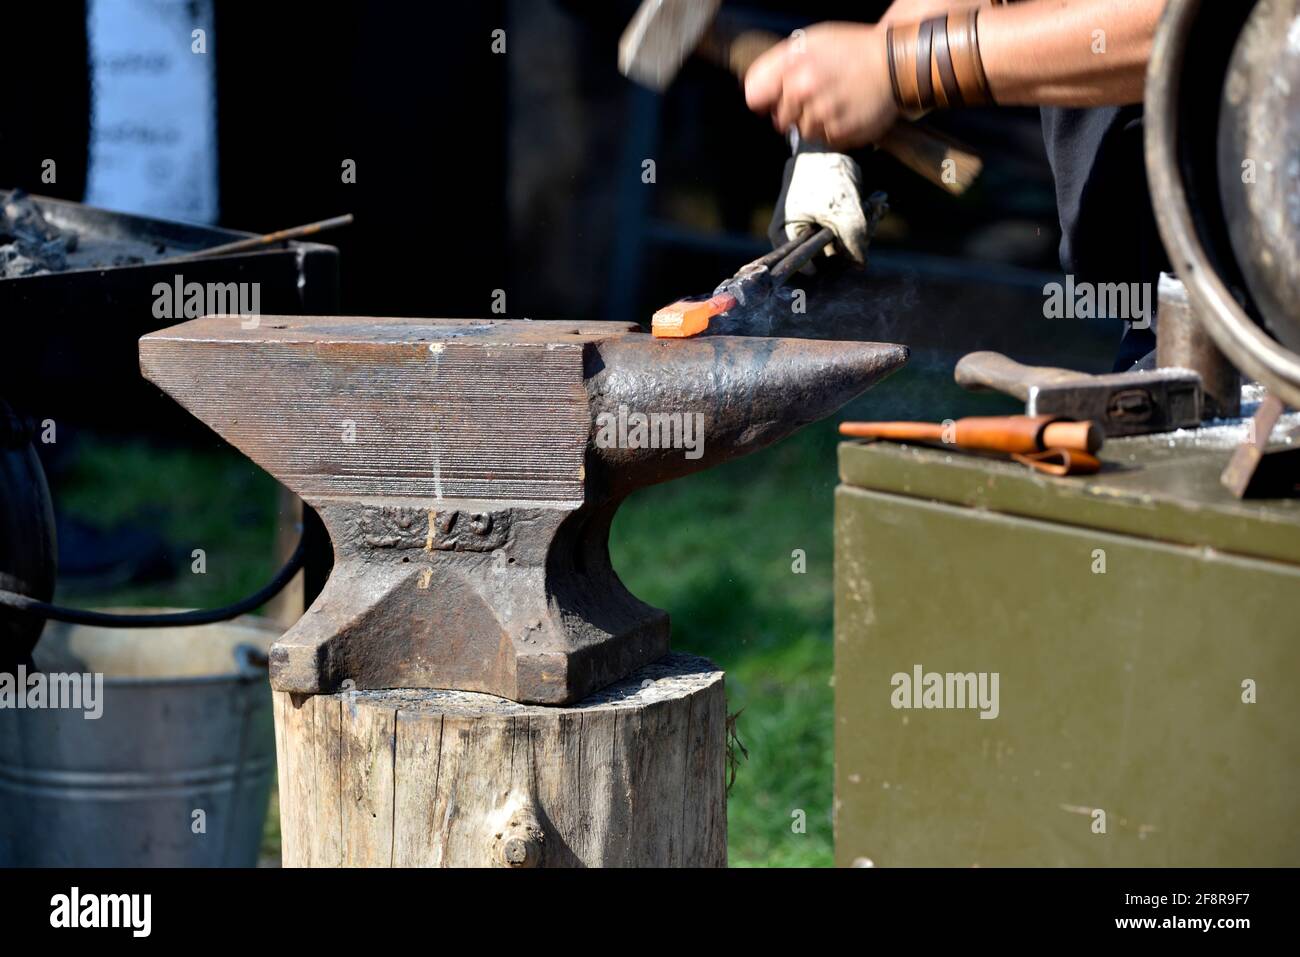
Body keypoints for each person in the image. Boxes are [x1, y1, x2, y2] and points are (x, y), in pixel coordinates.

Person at [745, 0, 1169, 369]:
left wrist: (895, 67)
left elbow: (1193, 19)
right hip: (1164, 323)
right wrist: (833, 120)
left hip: (1229, 309)